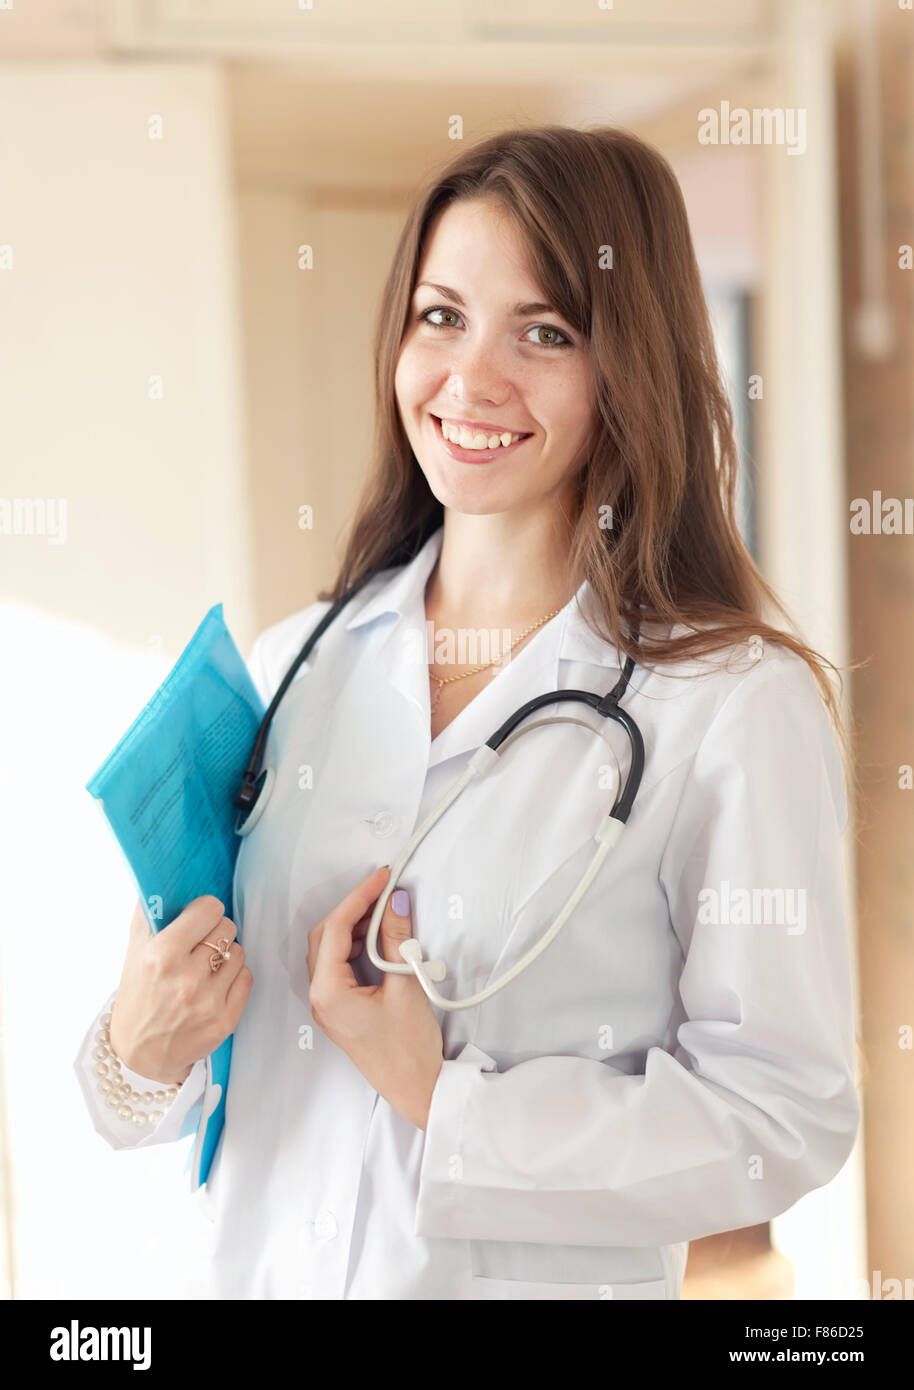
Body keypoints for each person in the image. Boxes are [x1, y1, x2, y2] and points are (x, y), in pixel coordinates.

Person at [74, 124, 860, 1300]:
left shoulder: (729, 701)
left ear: (625, 363)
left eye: (541, 332)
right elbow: (148, 1095)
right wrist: (136, 1052)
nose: (470, 379)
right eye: (440, 317)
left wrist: (450, 1105)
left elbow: (782, 1113)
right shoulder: (296, 662)